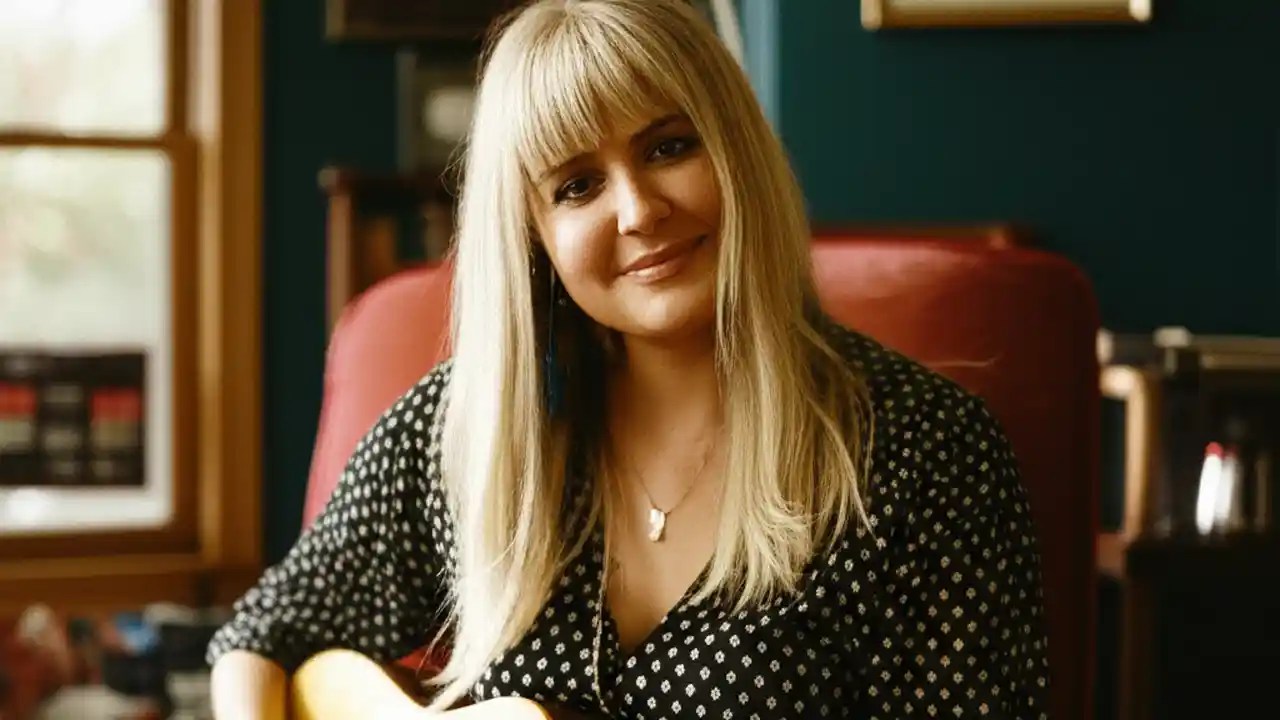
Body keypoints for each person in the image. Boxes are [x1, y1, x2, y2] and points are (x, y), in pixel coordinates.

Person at [206, 0, 1051, 717]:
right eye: (577, 186)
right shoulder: (456, 434)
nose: (639, 210)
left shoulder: (927, 458)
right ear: (533, 239)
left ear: (737, 154)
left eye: (667, 147)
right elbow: (261, 636)